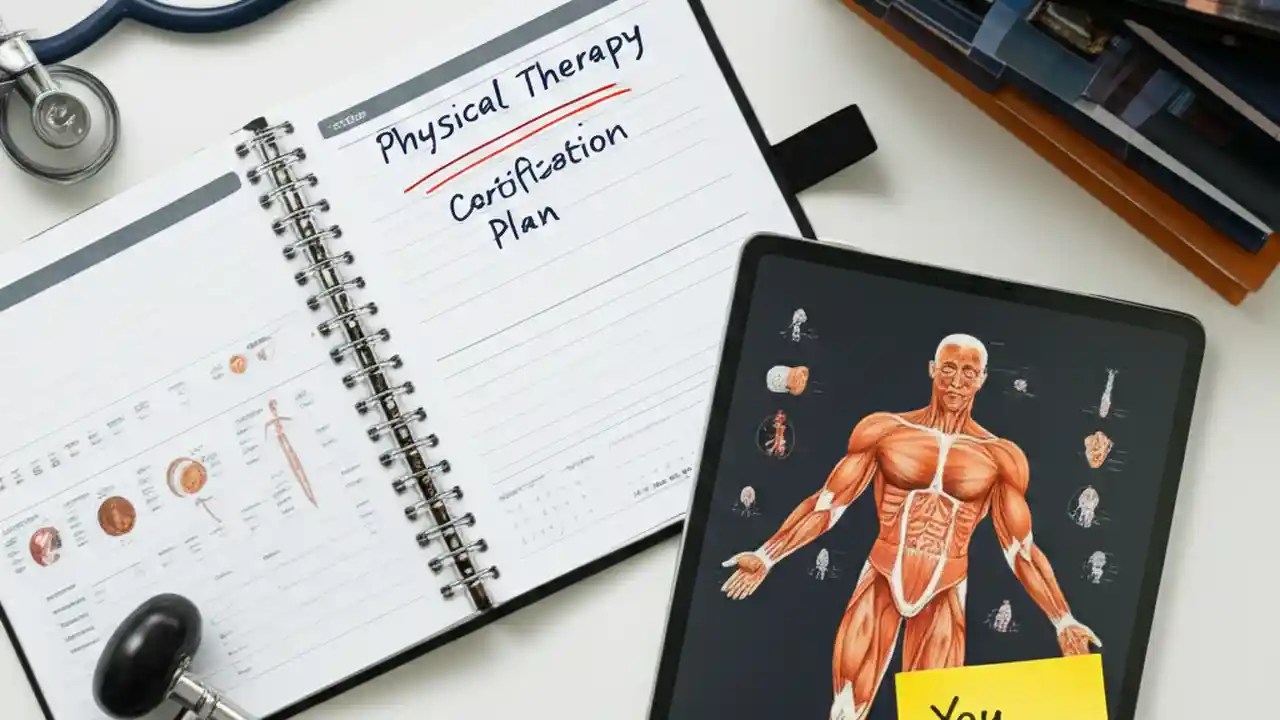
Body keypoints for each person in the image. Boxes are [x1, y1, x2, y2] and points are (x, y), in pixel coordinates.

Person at [720, 334, 1100, 720]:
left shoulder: (1001, 456)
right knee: (846, 709)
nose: (956, 381)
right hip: (882, 573)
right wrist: (767, 555)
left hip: (946, 587)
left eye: (968, 372)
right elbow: (828, 504)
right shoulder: (885, 430)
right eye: (948, 369)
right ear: (932, 369)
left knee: (930, 712)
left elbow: (1020, 550)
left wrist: (1062, 619)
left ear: (982, 379)